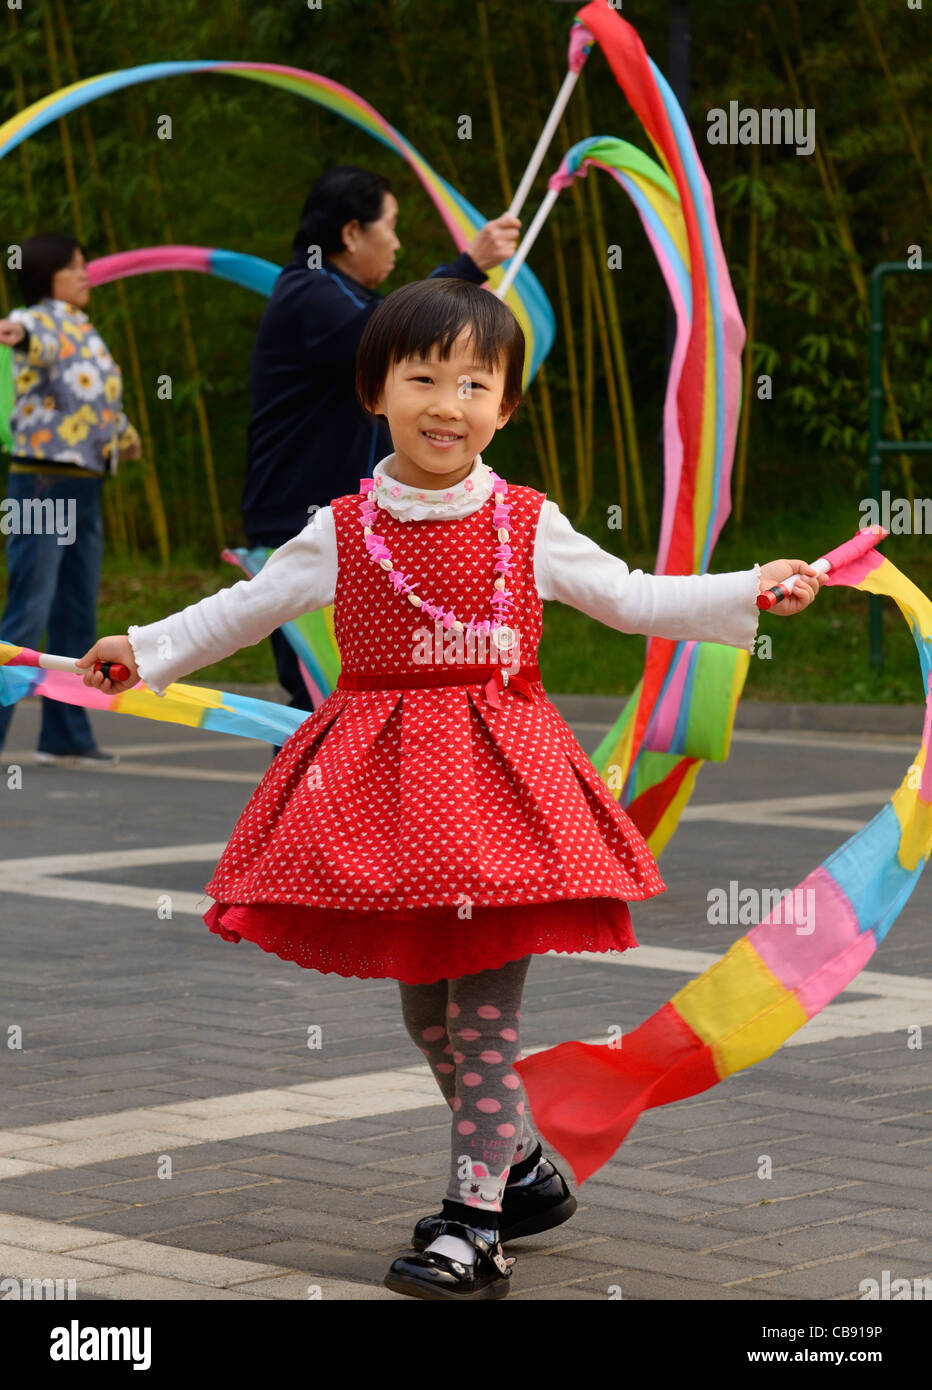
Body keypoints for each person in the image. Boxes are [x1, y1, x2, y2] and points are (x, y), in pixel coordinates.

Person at [76, 278, 824, 1301]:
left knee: (479, 1022)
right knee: (425, 1018)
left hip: (502, 801)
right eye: (422, 376)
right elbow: (243, 611)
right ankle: (518, 1172)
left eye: (474, 382)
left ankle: (475, 1228)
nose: (447, 401)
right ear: (374, 389)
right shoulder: (342, 527)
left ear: (505, 406)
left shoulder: (526, 522)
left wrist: (749, 587)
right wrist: (146, 649)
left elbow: (631, 596)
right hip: (388, 804)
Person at [241, 165, 520, 745]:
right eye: (389, 227)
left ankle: (362, 827)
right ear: (350, 233)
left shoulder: (342, 295)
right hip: (302, 520)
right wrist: (468, 266)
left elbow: (624, 593)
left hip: (352, 522)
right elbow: (389, 335)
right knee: (317, 698)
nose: (396, 242)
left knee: (351, 697)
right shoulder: (309, 294)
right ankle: (304, 828)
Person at [0, 233, 141, 768]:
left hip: (83, 483)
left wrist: (125, 437)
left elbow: (94, 395)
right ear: (48, 275)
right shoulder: (37, 317)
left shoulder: (83, 326)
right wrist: (12, 332)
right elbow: (30, 337)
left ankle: (63, 731)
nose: (87, 275)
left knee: (76, 610)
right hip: (44, 484)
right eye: (77, 267)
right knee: (28, 610)